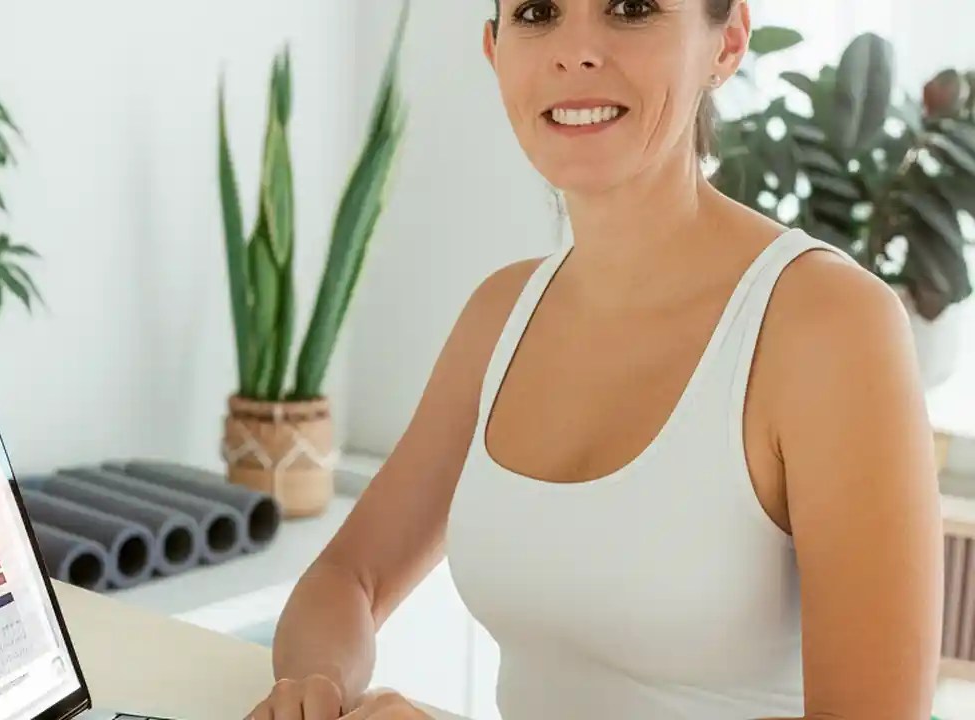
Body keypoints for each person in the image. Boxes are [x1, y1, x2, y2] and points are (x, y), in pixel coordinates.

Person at [248, 1, 943, 718]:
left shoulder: (827, 325)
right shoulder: (500, 316)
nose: (574, 51)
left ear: (727, 42)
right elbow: (349, 577)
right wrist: (318, 687)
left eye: (632, 8)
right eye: (538, 13)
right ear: (495, 53)